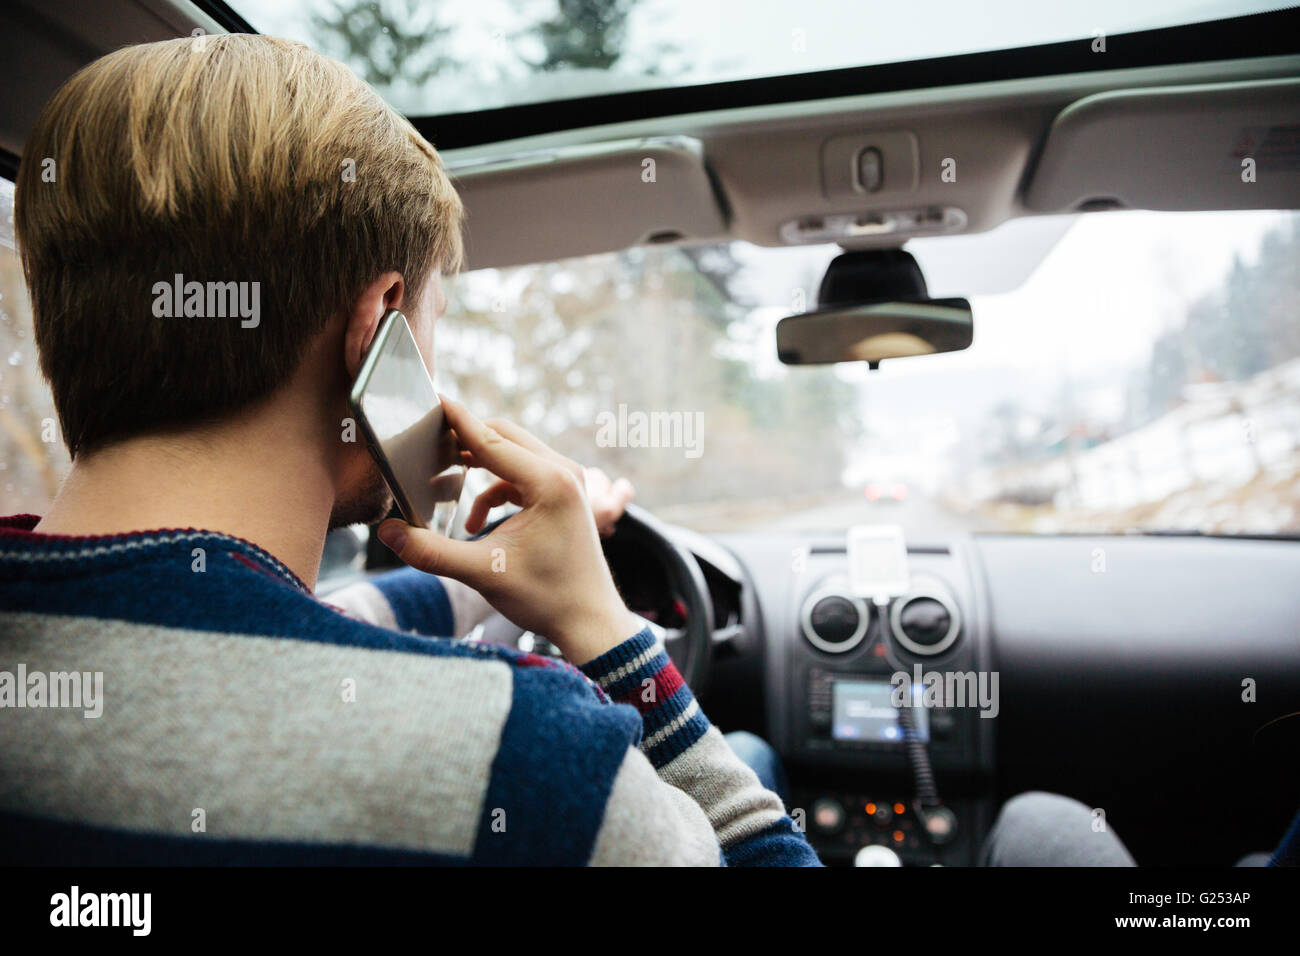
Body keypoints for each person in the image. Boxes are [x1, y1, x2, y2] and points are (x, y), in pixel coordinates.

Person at [0, 33, 820, 867]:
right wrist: (602, 624)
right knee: (751, 758)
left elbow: (271, 626)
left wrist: (491, 580)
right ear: (377, 326)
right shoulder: (532, 760)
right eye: (430, 330)